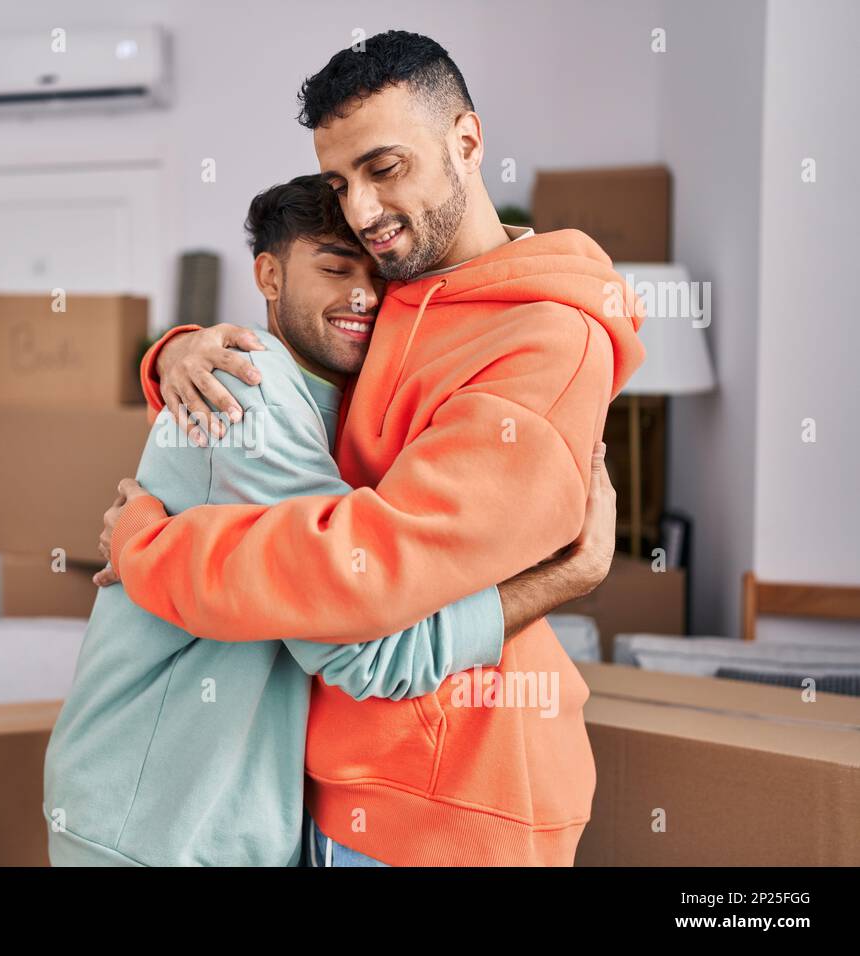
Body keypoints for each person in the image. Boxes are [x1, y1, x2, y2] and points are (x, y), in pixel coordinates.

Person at [99, 31, 645, 866]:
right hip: (344, 785)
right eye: (339, 184)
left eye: (384, 169)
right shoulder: (401, 288)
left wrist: (149, 550)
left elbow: (362, 575)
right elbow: (299, 390)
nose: (360, 211)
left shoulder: (545, 344)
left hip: (451, 806)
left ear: (467, 142)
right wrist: (178, 353)